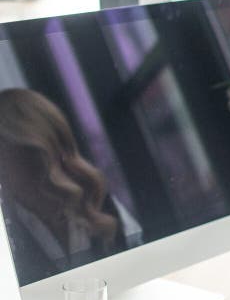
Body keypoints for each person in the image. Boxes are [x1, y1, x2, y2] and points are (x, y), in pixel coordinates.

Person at [0, 88, 142, 286]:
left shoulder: (100, 203)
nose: (6, 169)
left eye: (24, 153)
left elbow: (140, 275)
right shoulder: (6, 233)